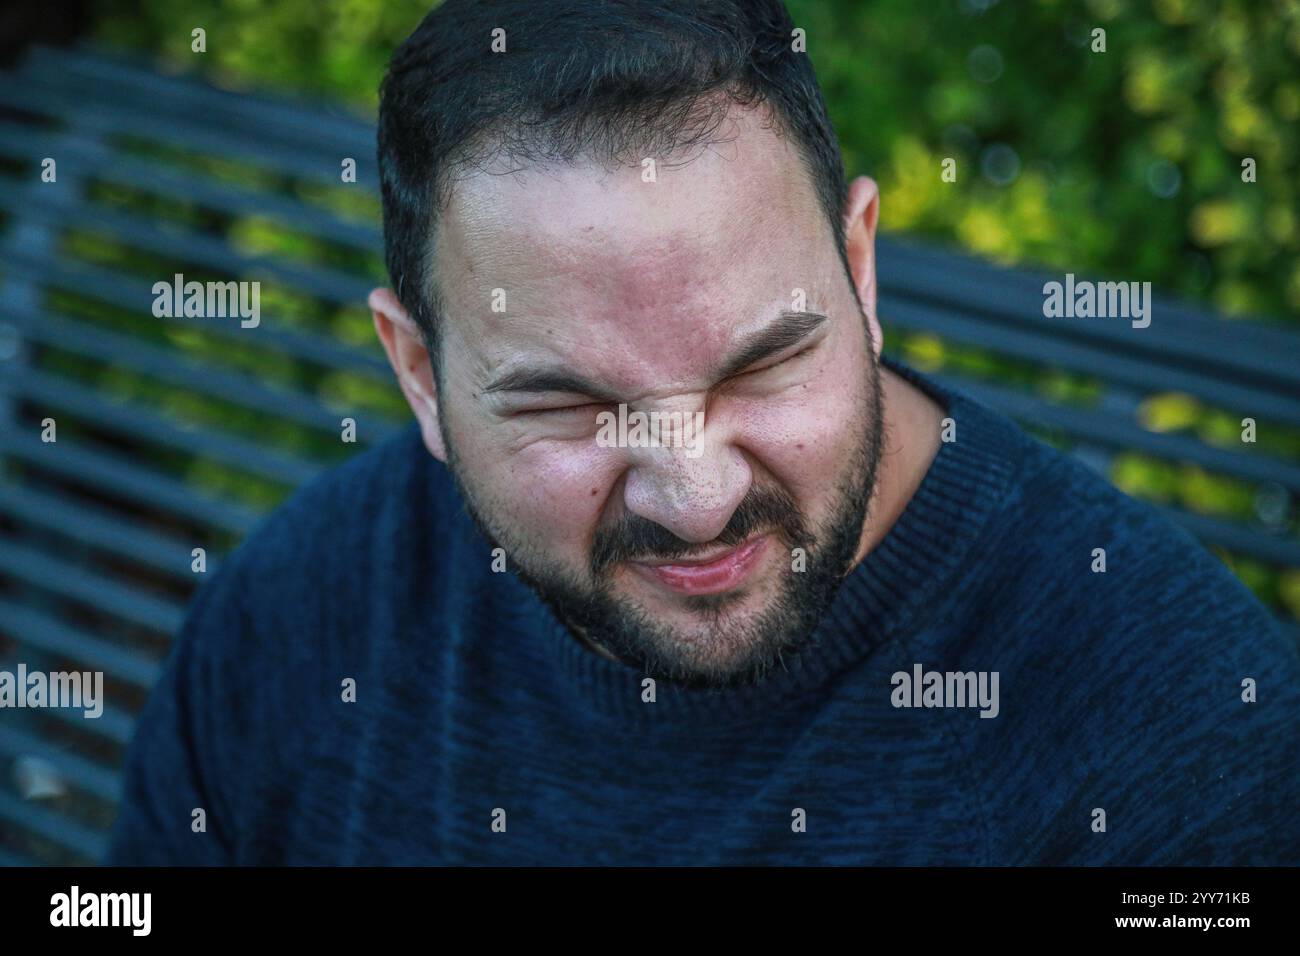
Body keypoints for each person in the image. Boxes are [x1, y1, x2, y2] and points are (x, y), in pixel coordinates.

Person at [107, 0, 1300, 865]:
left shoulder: (1181, 745)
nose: (693, 495)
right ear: (418, 373)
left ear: (861, 267)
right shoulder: (295, 621)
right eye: (568, 405)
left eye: (766, 360)